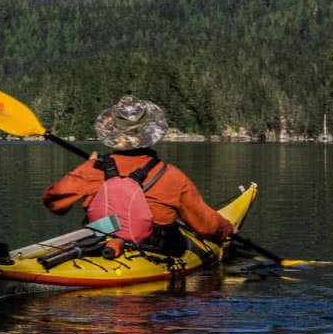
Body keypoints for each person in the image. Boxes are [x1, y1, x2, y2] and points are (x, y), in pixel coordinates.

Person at [42, 95, 235, 252]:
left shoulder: (92, 169)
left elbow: (53, 202)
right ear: (149, 135)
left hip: (100, 243)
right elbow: (207, 225)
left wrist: (84, 169)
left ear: (113, 134)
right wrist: (226, 229)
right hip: (154, 250)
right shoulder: (172, 176)